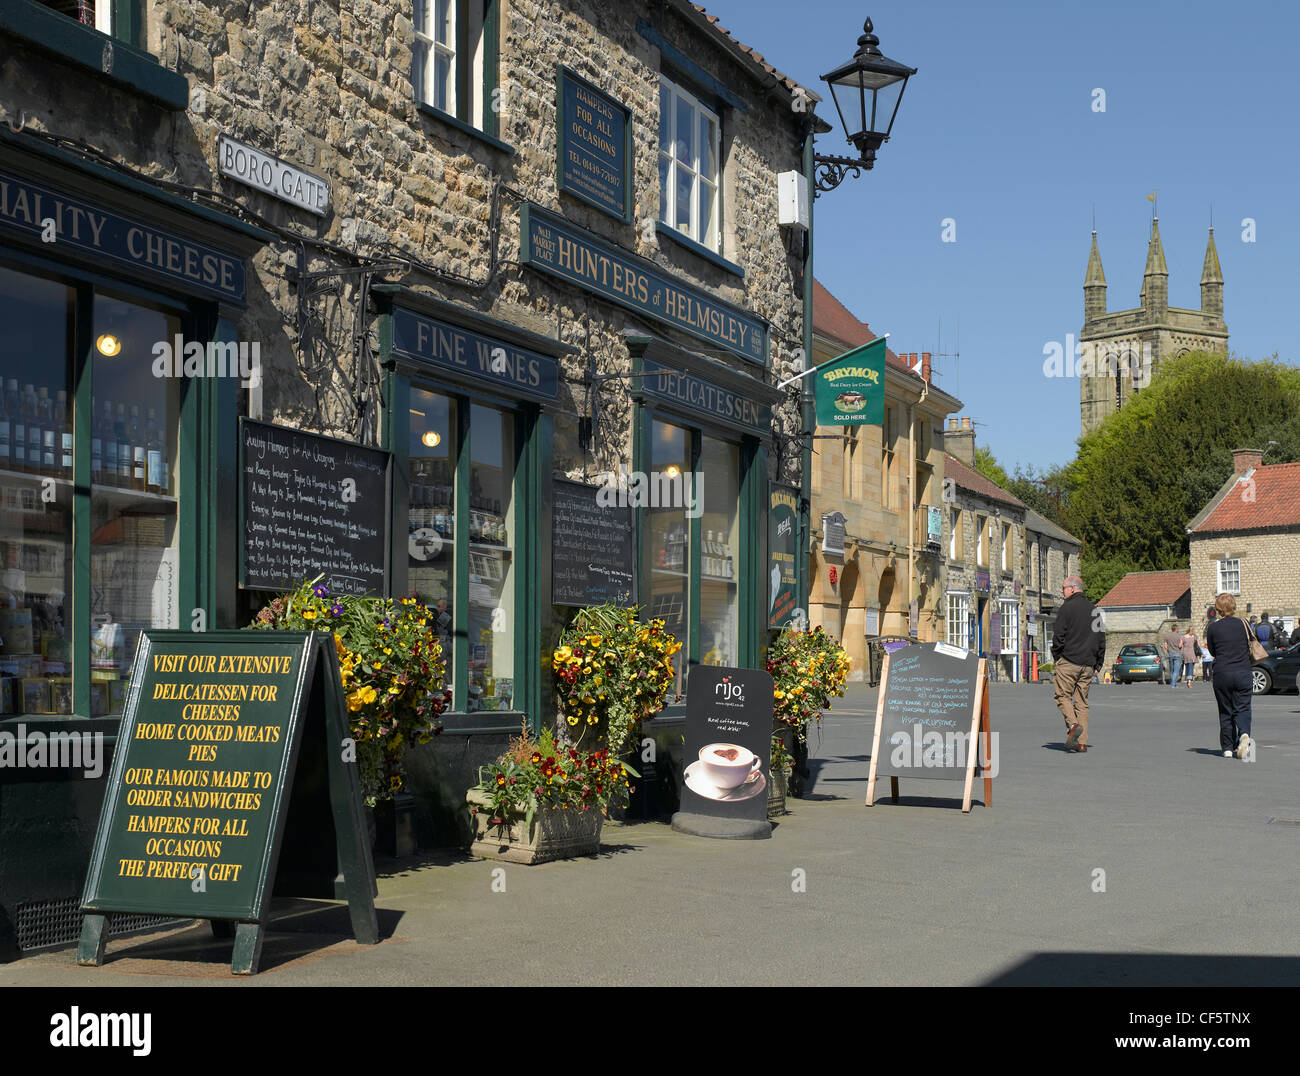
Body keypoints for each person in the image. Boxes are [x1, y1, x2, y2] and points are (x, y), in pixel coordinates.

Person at [1051, 575, 1107, 753]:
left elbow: (1058, 636)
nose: (1062, 591)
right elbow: (1101, 638)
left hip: (1069, 661)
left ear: (1073, 589)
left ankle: (1074, 725)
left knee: (1062, 696)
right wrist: (1098, 663)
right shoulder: (1095, 610)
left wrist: (1057, 656)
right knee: (1082, 702)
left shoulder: (1067, 608)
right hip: (1088, 664)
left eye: (1063, 588)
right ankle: (1082, 743)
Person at [1204, 592, 1254, 760]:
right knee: (1243, 707)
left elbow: (1212, 651)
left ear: (1218, 609)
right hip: (1242, 670)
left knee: (1225, 710)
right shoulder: (1244, 623)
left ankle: (1227, 748)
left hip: (1222, 672)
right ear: (1233, 606)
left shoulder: (1213, 627)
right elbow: (1251, 643)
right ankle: (1244, 734)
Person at [1162, 622, 1185, 688]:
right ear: (1176, 629)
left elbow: (1165, 645)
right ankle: (1173, 684)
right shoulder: (1179, 636)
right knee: (1176, 671)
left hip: (1170, 654)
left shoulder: (1167, 636)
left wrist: (1168, 650)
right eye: (1178, 629)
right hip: (1177, 654)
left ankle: (1174, 684)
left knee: (1171, 670)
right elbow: (1180, 645)